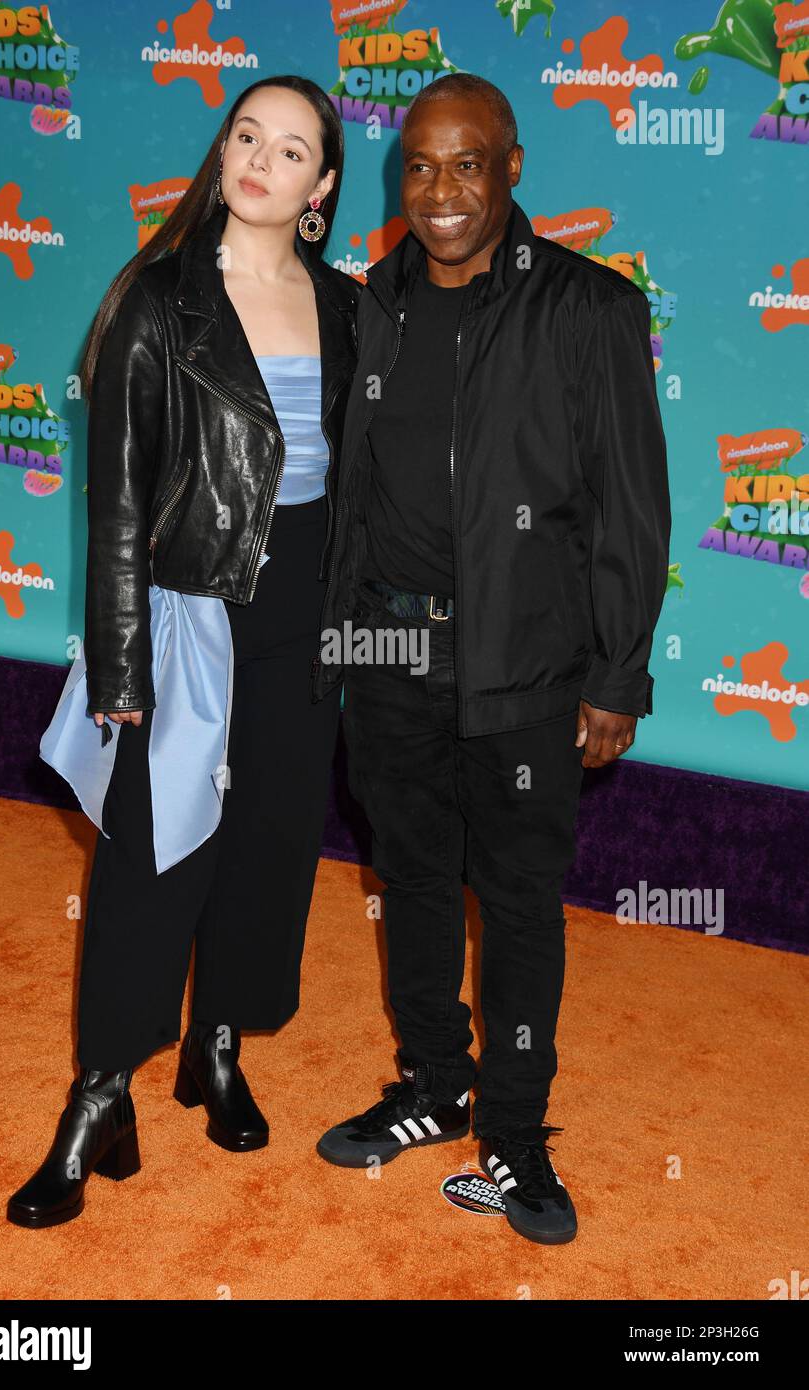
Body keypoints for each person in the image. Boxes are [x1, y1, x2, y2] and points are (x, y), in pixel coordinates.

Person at [312, 73, 671, 1245]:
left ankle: (513, 1133)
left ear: (513, 168)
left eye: (467, 163)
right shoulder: (371, 304)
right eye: (418, 164)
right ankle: (432, 1085)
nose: (440, 188)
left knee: (516, 905)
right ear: (395, 177)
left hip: (524, 663)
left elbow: (630, 508)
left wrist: (616, 675)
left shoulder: (588, 309)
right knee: (409, 881)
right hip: (386, 648)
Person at [7, 76, 361, 1229]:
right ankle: (98, 1095)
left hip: (307, 615)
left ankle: (216, 1044)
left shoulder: (351, 307)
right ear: (222, 154)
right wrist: (119, 674)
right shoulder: (158, 302)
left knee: (268, 847)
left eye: (291, 148)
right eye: (246, 134)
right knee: (147, 863)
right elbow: (114, 507)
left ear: (319, 189)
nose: (261, 158)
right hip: (189, 611)